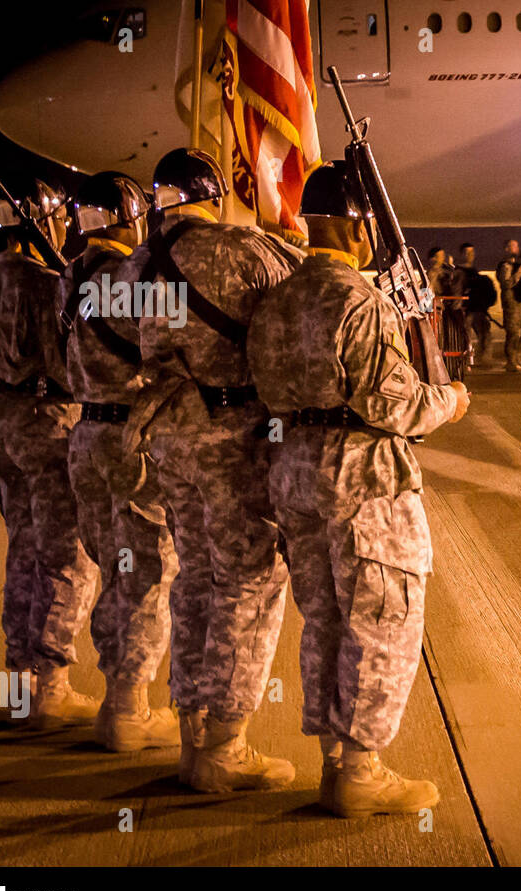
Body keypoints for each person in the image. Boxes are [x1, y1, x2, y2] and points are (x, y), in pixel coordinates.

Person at [247, 162, 470, 817]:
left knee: (325, 622)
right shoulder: (358, 298)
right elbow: (391, 402)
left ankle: (334, 766)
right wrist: (448, 402)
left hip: (295, 473)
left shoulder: (278, 297)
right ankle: (362, 771)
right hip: (363, 478)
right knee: (382, 623)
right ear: (356, 227)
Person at [119, 147, 302, 791]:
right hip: (232, 439)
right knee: (249, 581)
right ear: (211, 192)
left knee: (194, 575)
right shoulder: (235, 249)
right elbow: (304, 297)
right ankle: (227, 744)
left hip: (170, 439)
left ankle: (193, 731)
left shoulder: (136, 264)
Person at [0, 175, 101, 726]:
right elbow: (66, 365)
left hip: (1, 428)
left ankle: (18, 675)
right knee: (66, 556)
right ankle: (53, 683)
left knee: (22, 549)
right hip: (48, 428)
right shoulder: (46, 284)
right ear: (41, 220)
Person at [60, 171, 179, 752]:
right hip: (128, 441)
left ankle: (117, 700)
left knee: (114, 569)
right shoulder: (128, 278)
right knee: (145, 575)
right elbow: (168, 349)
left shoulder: (68, 279)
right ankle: (129, 708)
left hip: (84, 436)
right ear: (130, 217)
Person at [496, 239, 521, 372]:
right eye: (511, 246)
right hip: (511, 304)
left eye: (515, 245)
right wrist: (519, 272)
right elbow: (506, 284)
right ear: (506, 249)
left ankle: (518, 357)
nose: (514, 248)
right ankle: (511, 362)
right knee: (513, 333)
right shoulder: (505, 266)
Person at [456, 243, 496, 368]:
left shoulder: (475, 274)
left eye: (472, 252)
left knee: (485, 336)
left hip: (478, 310)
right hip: (466, 311)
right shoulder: (458, 272)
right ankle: (466, 362)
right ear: (461, 254)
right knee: (465, 338)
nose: (470, 256)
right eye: (467, 253)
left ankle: (482, 360)